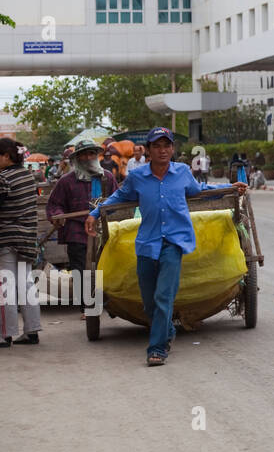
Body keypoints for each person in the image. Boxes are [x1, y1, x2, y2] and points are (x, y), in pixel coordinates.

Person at [87, 128, 248, 367]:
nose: (162, 150)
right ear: (149, 151)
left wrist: (230, 188)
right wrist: (94, 212)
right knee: (149, 301)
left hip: (174, 242)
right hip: (147, 244)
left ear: (172, 149)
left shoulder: (182, 172)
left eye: (167, 146)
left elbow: (199, 191)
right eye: (157, 146)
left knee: (164, 296)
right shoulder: (137, 177)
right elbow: (118, 198)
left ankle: (157, 348)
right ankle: (167, 331)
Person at [46, 140, 118, 291]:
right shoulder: (66, 181)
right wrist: (58, 216)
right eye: (83, 154)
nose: (88, 157)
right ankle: (86, 307)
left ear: (97, 155)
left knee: (101, 268)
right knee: (80, 270)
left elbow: (117, 200)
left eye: (91, 153)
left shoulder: (108, 178)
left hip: (102, 230)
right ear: (77, 158)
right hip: (76, 232)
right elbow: (54, 204)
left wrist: (106, 211)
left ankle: (99, 303)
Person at [0, 137, 42, 346]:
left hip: (7, 238)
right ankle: (31, 331)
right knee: (25, 283)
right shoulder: (27, 175)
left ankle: (5, 334)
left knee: (6, 286)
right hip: (27, 239)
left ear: (6, 157)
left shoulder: (3, 178)